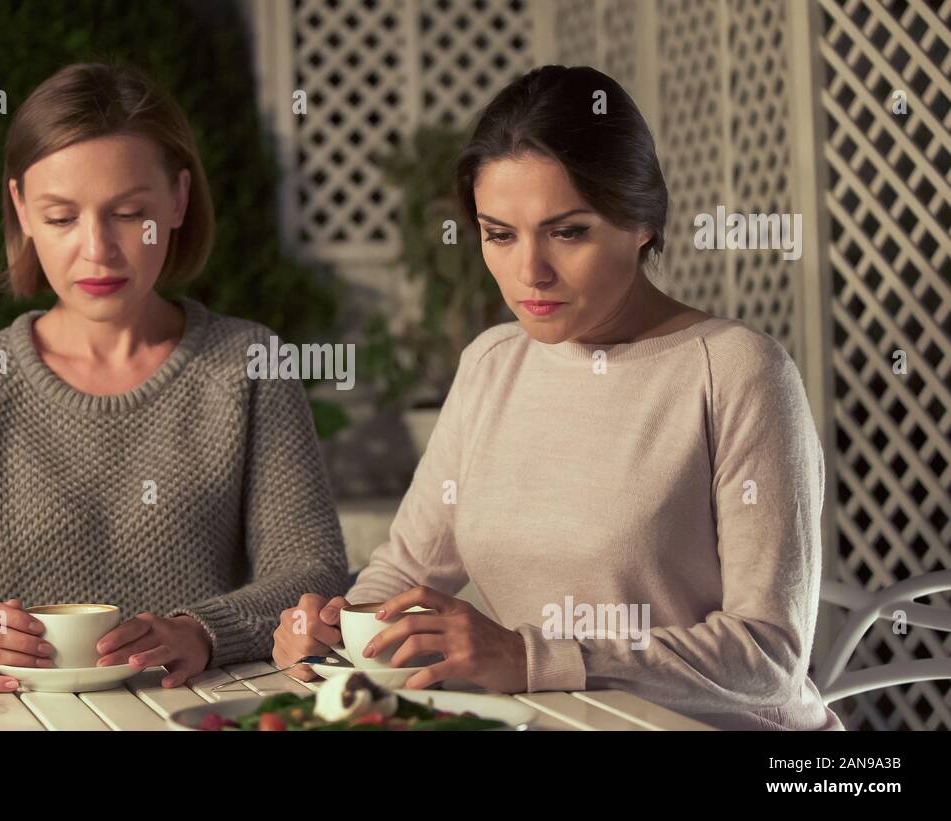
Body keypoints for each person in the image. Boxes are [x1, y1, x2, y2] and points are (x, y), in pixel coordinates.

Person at [271, 65, 844, 731]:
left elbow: (768, 654)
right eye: (500, 233)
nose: (529, 272)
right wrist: (338, 630)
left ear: (642, 221)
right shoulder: (491, 364)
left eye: (568, 231)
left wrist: (534, 657)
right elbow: (403, 569)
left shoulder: (738, 370)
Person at [0, 62, 348, 692]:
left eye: (127, 213)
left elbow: (314, 575)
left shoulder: (249, 365)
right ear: (21, 210)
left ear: (179, 201)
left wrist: (205, 630)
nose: (97, 251)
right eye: (61, 218)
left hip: (200, 712)